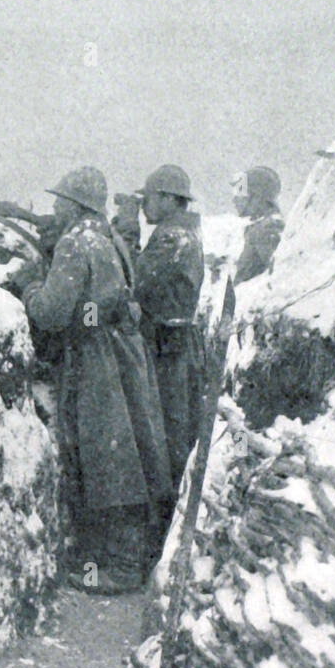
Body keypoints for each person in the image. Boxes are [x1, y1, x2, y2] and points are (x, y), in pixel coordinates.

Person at [21, 166, 173, 594]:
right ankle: (128, 558)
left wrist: (30, 288)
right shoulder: (112, 239)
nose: (54, 207)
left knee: (109, 457)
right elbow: (108, 302)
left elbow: (53, 313)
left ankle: (119, 569)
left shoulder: (75, 242)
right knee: (129, 451)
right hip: (123, 354)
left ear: (76, 204)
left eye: (60, 200)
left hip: (96, 361)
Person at [132, 164, 205, 493]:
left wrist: (124, 234)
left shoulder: (172, 235)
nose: (144, 206)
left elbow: (136, 280)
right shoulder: (183, 231)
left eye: (148, 198)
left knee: (166, 431)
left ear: (167, 198)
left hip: (167, 346)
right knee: (175, 427)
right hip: (174, 342)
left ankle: (167, 509)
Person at [232, 166, 284, 282]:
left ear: (257, 197)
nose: (235, 200)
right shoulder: (260, 227)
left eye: (241, 193)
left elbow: (276, 276)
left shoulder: (268, 228)